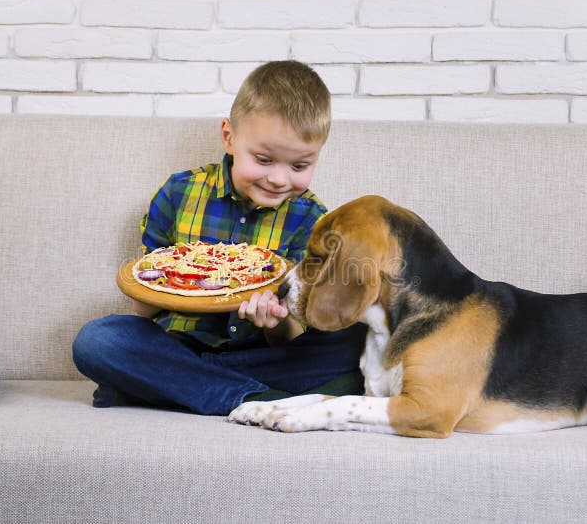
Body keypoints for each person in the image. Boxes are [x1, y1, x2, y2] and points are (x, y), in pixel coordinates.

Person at [72, 60, 366, 415]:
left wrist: (273, 324)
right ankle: (256, 400)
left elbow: (295, 336)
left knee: (356, 343)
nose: (278, 178)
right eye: (263, 159)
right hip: (177, 348)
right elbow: (143, 307)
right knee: (98, 340)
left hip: (263, 355)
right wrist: (164, 283)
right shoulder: (178, 194)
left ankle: (162, 388)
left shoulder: (313, 220)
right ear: (229, 137)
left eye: (299, 166)